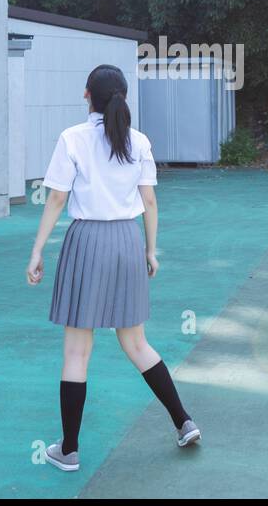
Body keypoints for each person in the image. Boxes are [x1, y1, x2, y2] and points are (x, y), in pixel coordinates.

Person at [26, 64, 200, 472]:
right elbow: (150, 202)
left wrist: (37, 252)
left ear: (88, 94)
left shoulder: (73, 138)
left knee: (76, 350)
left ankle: (68, 450)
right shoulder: (138, 140)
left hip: (86, 240)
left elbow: (54, 200)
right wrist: (151, 250)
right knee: (137, 343)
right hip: (127, 240)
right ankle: (184, 421)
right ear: (122, 96)